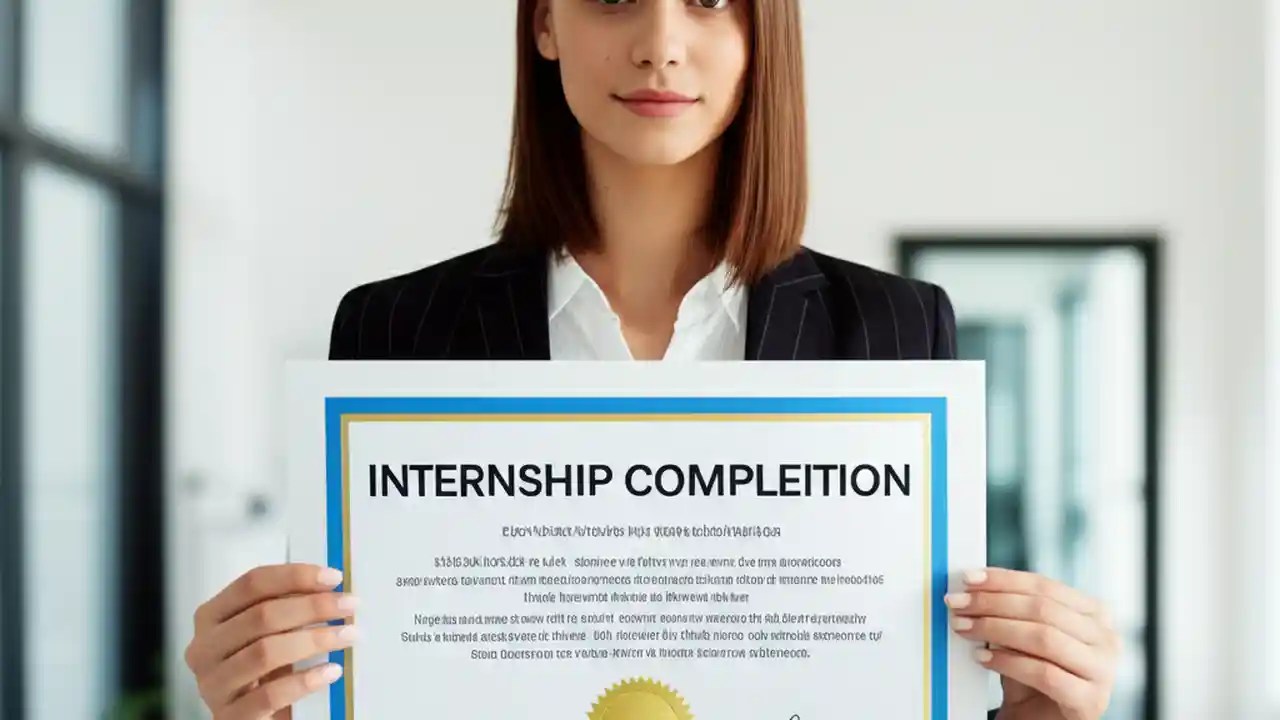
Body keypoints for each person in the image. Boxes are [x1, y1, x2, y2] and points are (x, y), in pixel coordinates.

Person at [183, 1, 1121, 717]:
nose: (661, 42)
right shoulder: (395, 330)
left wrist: (1031, 708)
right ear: (545, 20)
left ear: (765, 31)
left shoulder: (897, 326)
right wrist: (264, 695)